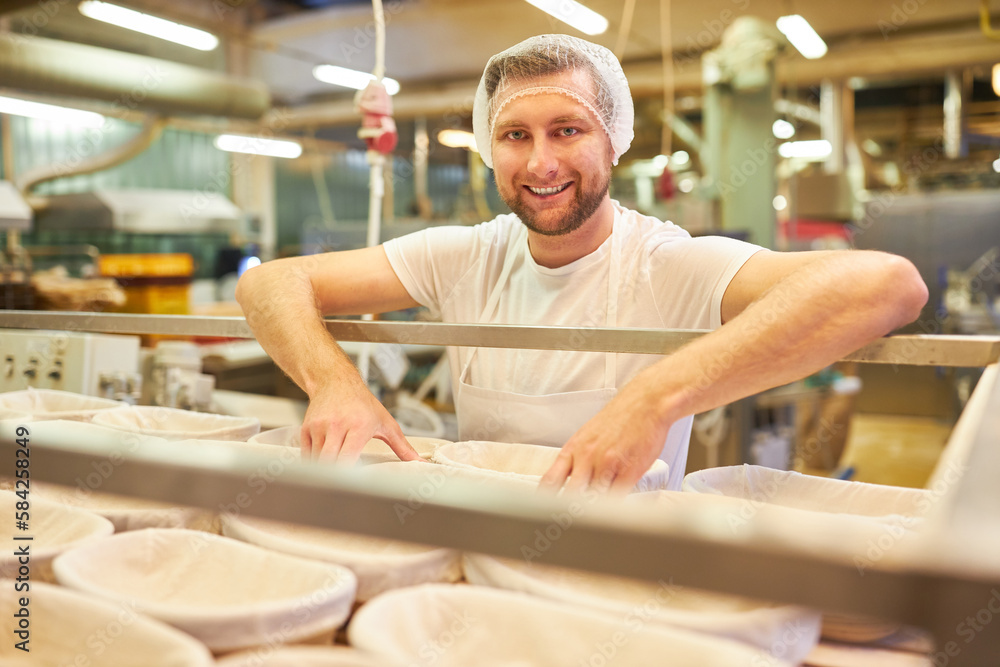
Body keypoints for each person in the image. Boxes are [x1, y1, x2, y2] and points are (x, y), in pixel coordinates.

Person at [236, 34, 927, 494]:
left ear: (614, 140)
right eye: (515, 135)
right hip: (487, 558)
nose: (540, 162)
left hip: (623, 578)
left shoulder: (664, 264)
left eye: (567, 130)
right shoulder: (467, 255)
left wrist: (657, 395)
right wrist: (333, 383)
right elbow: (271, 281)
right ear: (490, 147)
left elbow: (889, 285)